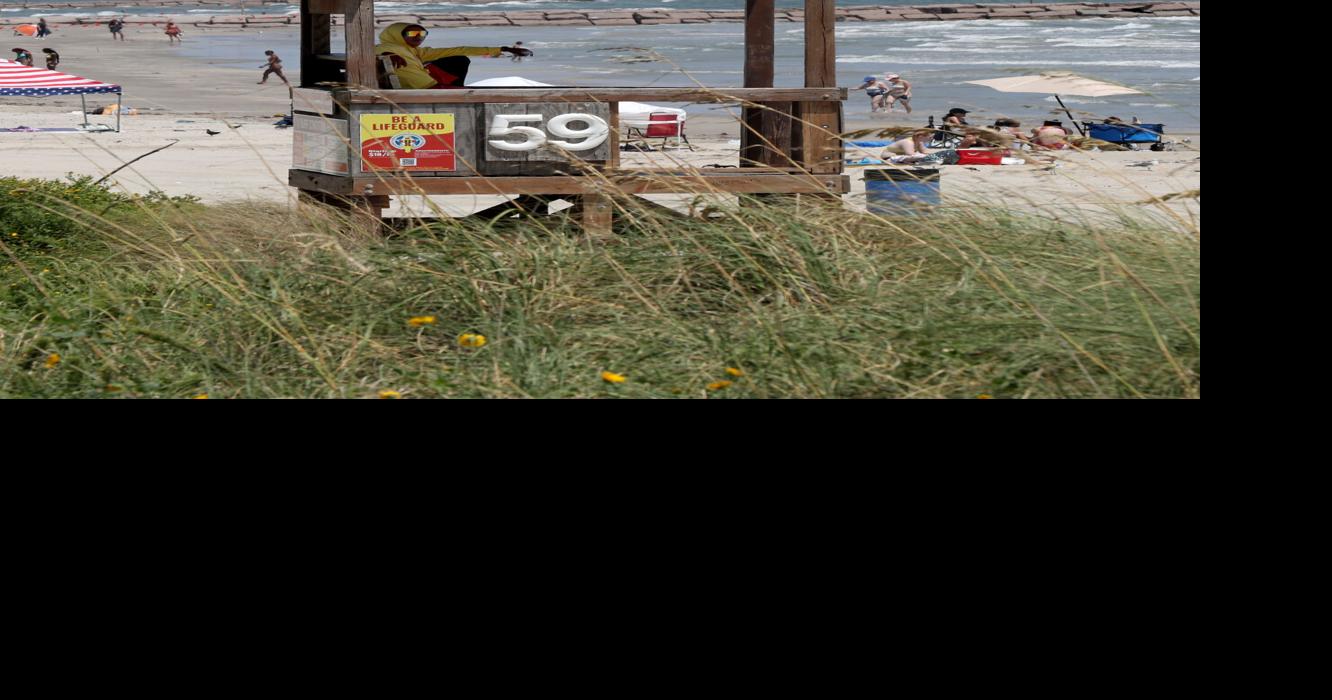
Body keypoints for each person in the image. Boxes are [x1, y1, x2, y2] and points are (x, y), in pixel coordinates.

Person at [375, 22, 531, 89]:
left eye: (423, 33)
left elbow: (459, 49)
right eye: (413, 33)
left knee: (459, 59)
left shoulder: (416, 51)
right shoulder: (387, 46)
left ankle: (456, 88)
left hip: (426, 86)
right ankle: (456, 90)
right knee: (459, 62)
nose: (419, 37)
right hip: (424, 89)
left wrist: (502, 49)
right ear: (396, 34)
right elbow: (372, 52)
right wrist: (386, 55)